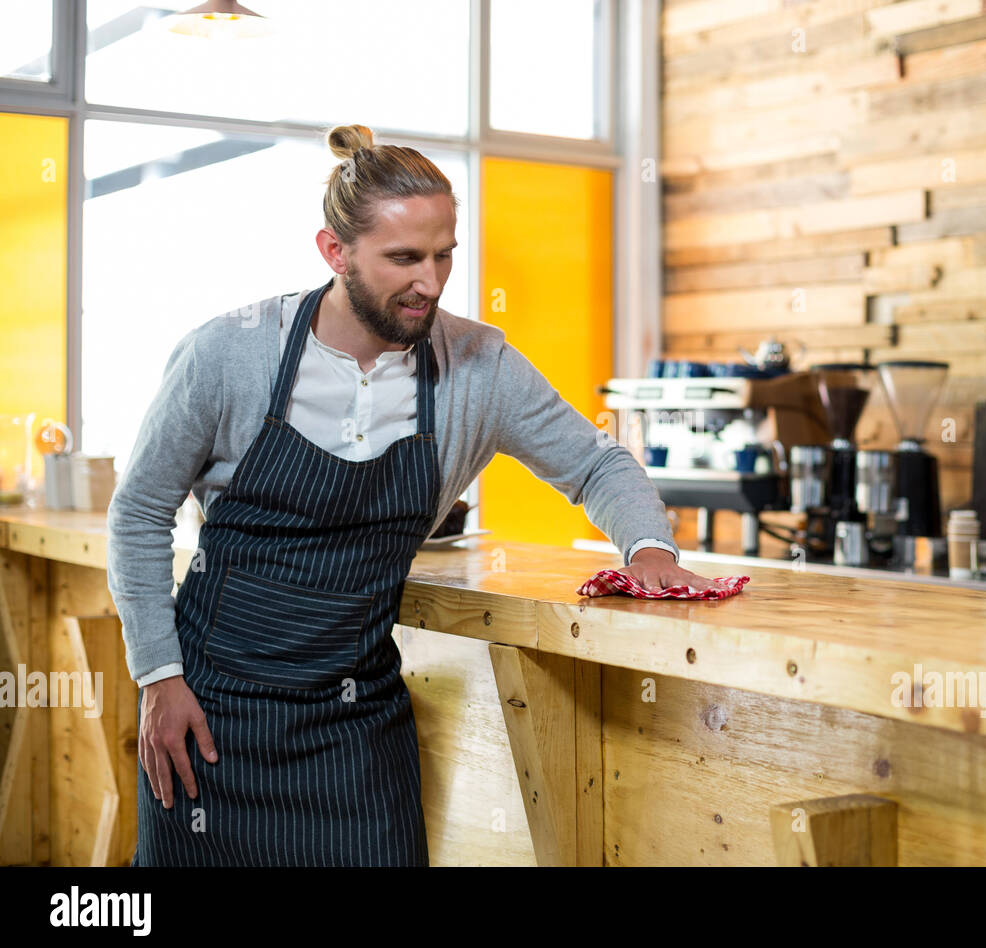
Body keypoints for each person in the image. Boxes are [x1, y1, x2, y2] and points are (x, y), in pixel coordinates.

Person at [107, 123, 716, 866]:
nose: (429, 281)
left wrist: (649, 547)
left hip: (354, 730)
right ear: (335, 252)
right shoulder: (227, 353)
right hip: (208, 715)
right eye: (403, 258)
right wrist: (158, 678)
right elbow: (138, 511)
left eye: (443, 254)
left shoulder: (480, 366)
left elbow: (597, 463)